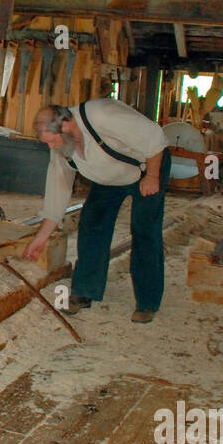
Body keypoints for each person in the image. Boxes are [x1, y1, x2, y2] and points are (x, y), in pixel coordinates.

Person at [23, 100, 169, 322]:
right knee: (91, 224)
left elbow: (156, 138)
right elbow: (57, 194)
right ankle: (84, 291)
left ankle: (147, 301)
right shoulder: (63, 147)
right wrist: (40, 239)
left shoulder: (102, 116)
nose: (51, 148)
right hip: (108, 177)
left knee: (144, 230)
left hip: (146, 166)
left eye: (52, 142)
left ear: (65, 126)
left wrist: (152, 176)